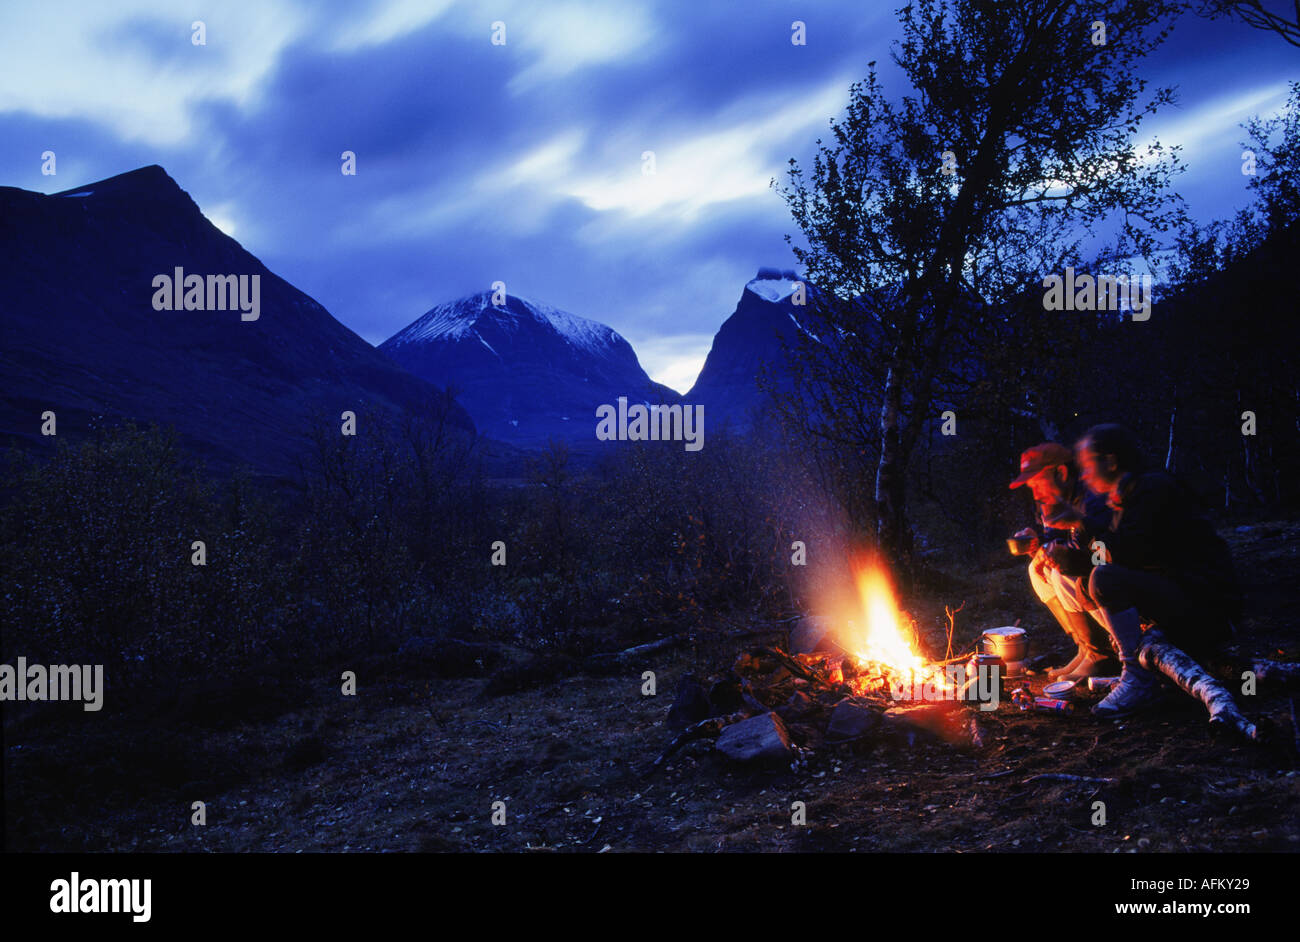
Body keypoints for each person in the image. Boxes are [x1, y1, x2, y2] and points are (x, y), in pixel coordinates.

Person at [1072, 424, 1242, 719]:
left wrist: (1086, 527)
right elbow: (1122, 555)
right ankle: (1140, 660)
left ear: (1110, 462)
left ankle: (1139, 677)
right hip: (1184, 595)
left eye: (1088, 465)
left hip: (1207, 606)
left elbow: (1127, 555)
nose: (1084, 475)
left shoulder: (1152, 489)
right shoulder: (1129, 494)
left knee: (1103, 579)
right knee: (1086, 582)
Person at [1009, 443, 1118, 681]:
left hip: (1122, 580)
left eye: (1037, 483)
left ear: (1061, 473)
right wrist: (1041, 544)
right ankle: (1086, 646)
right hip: (1102, 571)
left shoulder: (1093, 500)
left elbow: (1103, 555)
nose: (1035, 493)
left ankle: (1105, 653)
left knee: (1061, 572)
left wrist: (1066, 556)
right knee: (1037, 570)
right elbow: (1063, 536)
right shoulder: (1063, 499)